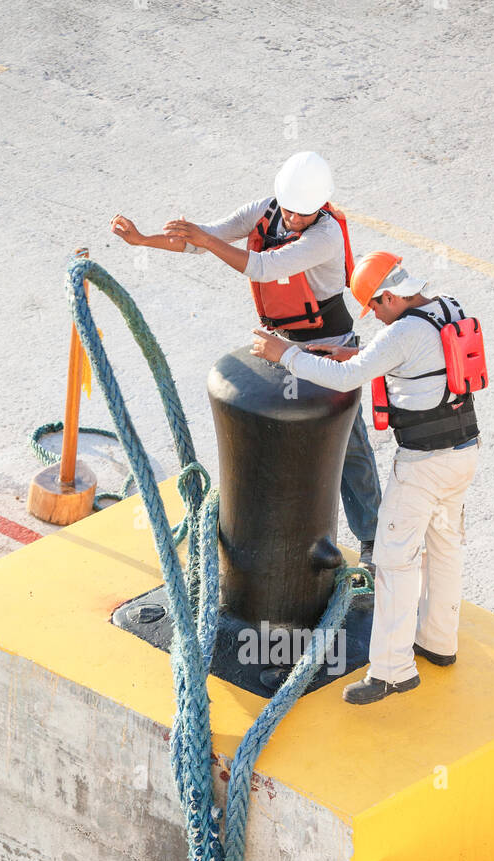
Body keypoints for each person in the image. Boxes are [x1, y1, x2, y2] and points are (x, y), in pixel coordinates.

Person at [110, 152, 381, 562]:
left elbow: (262, 267)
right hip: (278, 344)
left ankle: (373, 538)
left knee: (347, 446)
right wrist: (143, 239)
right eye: (288, 210)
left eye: (302, 215)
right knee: (271, 433)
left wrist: (208, 240)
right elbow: (203, 238)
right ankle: (268, 538)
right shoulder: (265, 211)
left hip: (328, 345)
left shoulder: (327, 236)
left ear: (320, 207)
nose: (291, 219)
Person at [251, 251, 482, 705]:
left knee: (395, 562)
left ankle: (393, 672)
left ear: (390, 296)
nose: (374, 316)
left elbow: (346, 379)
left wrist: (287, 353)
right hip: (463, 453)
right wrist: (352, 352)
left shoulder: (403, 330)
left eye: (375, 306)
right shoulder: (449, 309)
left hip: (423, 466)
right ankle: (439, 643)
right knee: (445, 547)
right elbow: (414, 358)